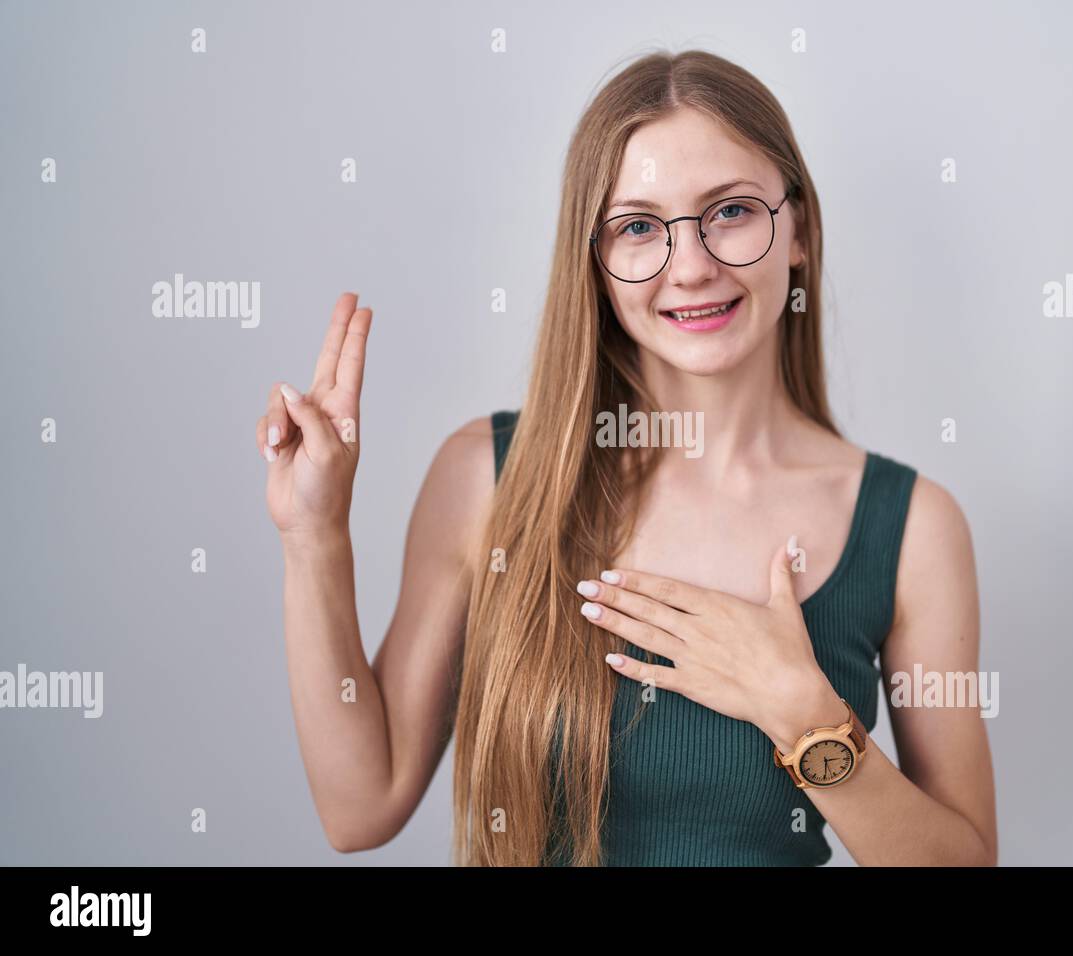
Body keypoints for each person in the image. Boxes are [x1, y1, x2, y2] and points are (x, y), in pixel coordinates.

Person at [253, 49, 995, 867]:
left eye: (732, 212)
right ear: (595, 264)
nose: (692, 266)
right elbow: (360, 808)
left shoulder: (913, 527)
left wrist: (802, 713)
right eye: (639, 227)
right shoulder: (484, 477)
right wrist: (313, 538)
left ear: (800, 233)